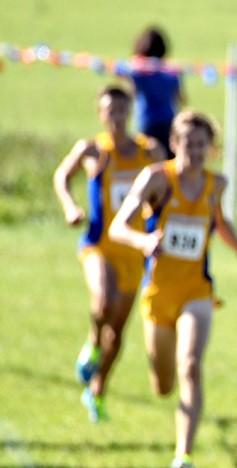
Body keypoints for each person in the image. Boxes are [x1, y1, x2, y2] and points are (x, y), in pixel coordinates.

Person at [109, 110, 237, 468]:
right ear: (175, 144)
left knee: (191, 365)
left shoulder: (216, 185)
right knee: (163, 384)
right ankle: (165, 391)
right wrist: (144, 240)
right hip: (158, 291)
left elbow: (218, 222)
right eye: (187, 144)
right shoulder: (156, 179)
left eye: (202, 145)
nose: (194, 152)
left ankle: (184, 455)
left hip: (197, 291)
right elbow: (119, 226)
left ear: (211, 148)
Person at [53, 85, 166, 422]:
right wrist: (70, 205)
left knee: (117, 331)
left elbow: (168, 186)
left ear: (130, 112)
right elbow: (62, 175)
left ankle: (98, 389)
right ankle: (91, 341)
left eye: (121, 111)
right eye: (110, 111)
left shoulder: (149, 152)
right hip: (98, 245)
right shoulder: (92, 150)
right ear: (100, 114)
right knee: (103, 301)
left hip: (135, 251)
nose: (116, 118)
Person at [128, 26, 185, 158]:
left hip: (146, 121)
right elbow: (180, 98)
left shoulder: (138, 72)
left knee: (146, 161)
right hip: (169, 120)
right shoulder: (171, 71)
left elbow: (132, 94)